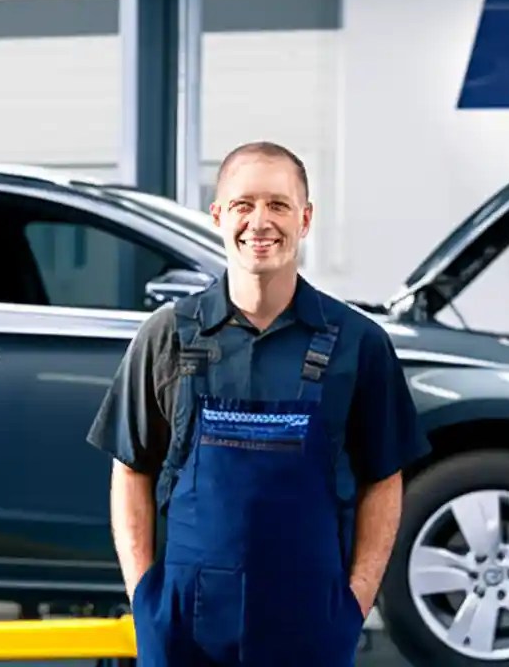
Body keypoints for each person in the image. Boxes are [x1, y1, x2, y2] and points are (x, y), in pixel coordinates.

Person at [87, 141, 431, 665]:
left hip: (311, 622)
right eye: (244, 205)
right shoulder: (167, 337)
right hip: (184, 626)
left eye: (278, 205)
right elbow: (130, 468)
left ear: (306, 218)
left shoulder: (358, 343)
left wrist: (355, 601)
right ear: (219, 215)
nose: (260, 222)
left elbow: (383, 478)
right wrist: (145, 597)